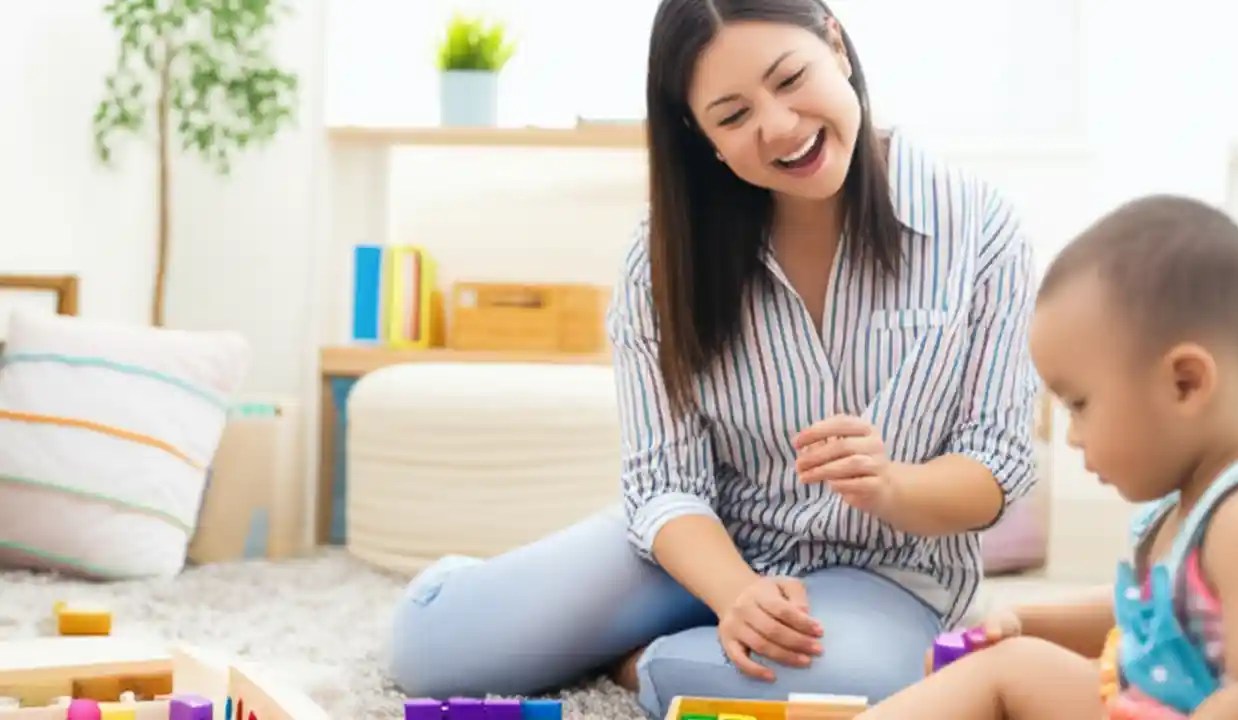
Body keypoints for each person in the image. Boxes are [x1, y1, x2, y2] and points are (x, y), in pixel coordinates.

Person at [387, 0, 1041, 716]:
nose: (780, 127)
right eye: (733, 117)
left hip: (888, 576)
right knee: (434, 655)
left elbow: (996, 467)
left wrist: (893, 485)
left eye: (790, 78)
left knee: (878, 693)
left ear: (836, 47)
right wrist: (731, 591)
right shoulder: (661, 259)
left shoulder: (980, 230)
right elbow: (664, 482)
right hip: (701, 548)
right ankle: (584, 611)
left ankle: (639, 658)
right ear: (702, 139)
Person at [856, 194, 1238, 719]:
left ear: (1185, 383)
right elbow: (1145, 613)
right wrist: (1030, 621)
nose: (1074, 436)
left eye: (1080, 404)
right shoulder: (1192, 506)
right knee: (1007, 666)